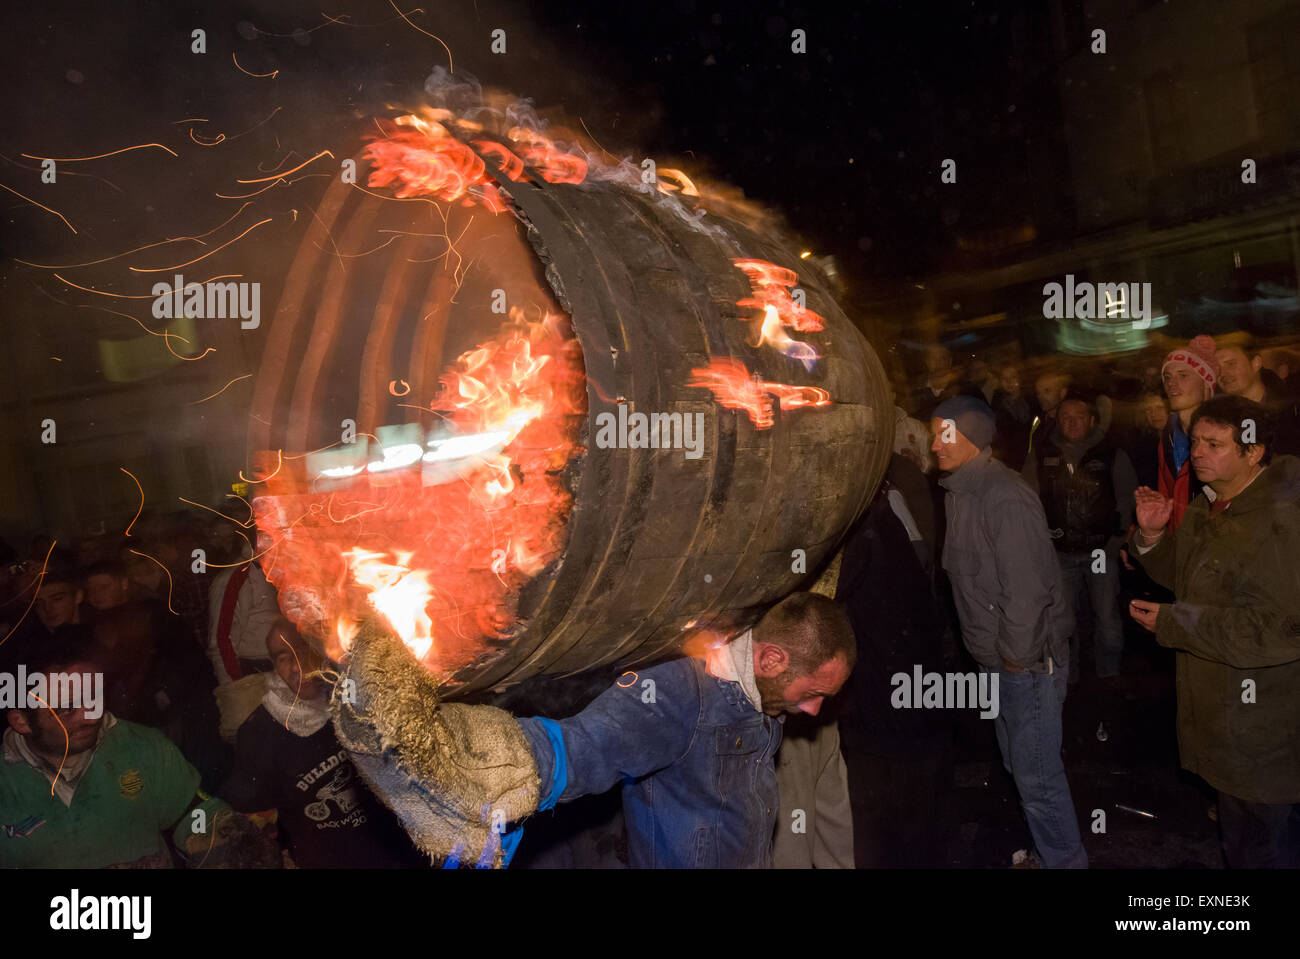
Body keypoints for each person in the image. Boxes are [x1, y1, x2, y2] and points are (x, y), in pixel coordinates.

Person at [334, 591, 856, 868]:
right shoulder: (681, 695)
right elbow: (582, 748)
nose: (814, 711)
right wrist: (464, 756)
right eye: (813, 692)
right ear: (769, 657)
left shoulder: (763, 703)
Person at [1128, 395, 1300, 868]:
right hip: (1227, 724)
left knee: (1264, 851)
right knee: (1241, 845)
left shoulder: (1282, 520)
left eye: (1214, 444)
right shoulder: (1216, 502)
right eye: (1196, 441)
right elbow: (1190, 578)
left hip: (1264, 731)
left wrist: (1174, 623)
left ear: (1253, 452)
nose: (1198, 452)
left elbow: (1279, 628)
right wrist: (1152, 537)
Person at [930, 395, 1087, 869]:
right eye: (932, 432)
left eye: (944, 433)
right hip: (999, 662)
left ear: (973, 437)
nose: (934, 443)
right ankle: (1047, 853)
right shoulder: (961, 491)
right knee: (1022, 770)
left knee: (1038, 779)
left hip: (1024, 664)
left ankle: (1066, 863)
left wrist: (1017, 662)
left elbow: (1027, 590)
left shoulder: (1003, 495)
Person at [0, 636, 240, 868]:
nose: (91, 715)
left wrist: (223, 837)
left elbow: (194, 814)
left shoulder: (142, 747)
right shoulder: (6, 782)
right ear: (21, 721)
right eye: (67, 710)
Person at [220, 619, 426, 868]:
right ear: (273, 665)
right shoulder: (259, 733)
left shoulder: (351, 697)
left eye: (303, 651)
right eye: (283, 658)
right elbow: (255, 814)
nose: (297, 667)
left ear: (320, 651)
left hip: (393, 851)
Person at [1022, 396, 1138, 682]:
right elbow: (1026, 501)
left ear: (1091, 420)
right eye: (1065, 417)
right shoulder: (1041, 453)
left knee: (1107, 618)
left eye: (1079, 416)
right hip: (1059, 553)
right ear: (1058, 421)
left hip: (1100, 551)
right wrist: (1040, 544)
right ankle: (1066, 678)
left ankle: (1109, 677)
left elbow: (1128, 498)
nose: (1072, 422)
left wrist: (1116, 541)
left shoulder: (1111, 453)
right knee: (1062, 621)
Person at [206, 561, 281, 742]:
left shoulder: (286, 571)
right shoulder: (238, 577)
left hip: (286, 675)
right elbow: (221, 642)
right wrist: (237, 693)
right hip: (252, 679)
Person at [1157, 335, 1219, 531]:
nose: (1172, 384)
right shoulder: (1167, 437)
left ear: (1206, 385)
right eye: (1167, 377)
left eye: (1183, 376)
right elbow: (1164, 496)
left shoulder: (1223, 437)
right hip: (1181, 546)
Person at [1215, 337, 1300, 456]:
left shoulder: (1291, 410)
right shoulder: (1216, 417)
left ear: (1256, 363)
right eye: (1217, 368)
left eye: (1231, 364)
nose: (1222, 373)